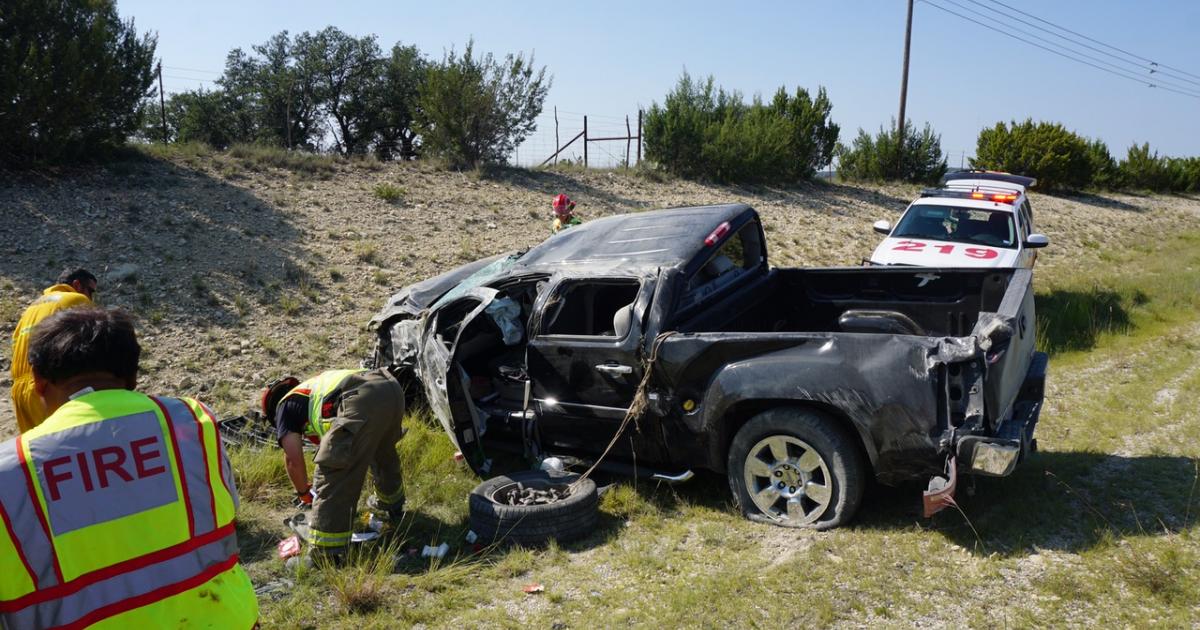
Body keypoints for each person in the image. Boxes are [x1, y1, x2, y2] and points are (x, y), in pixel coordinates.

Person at [0, 307, 258, 628]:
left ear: (37, 380)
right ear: (133, 375)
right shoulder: (191, 421)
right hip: (221, 618)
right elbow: (227, 511)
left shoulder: (9, 472)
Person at [261, 367, 406, 564]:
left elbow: (292, 459)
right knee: (382, 453)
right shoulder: (313, 389)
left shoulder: (284, 406)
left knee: (334, 469)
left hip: (361, 399)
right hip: (390, 388)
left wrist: (304, 492)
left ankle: (325, 553)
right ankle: (391, 505)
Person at [10, 267, 98, 433]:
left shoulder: (31, 309)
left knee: (37, 451)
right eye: (90, 291)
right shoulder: (76, 299)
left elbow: (16, 346)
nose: (91, 298)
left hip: (20, 391)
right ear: (77, 284)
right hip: (49, 388)